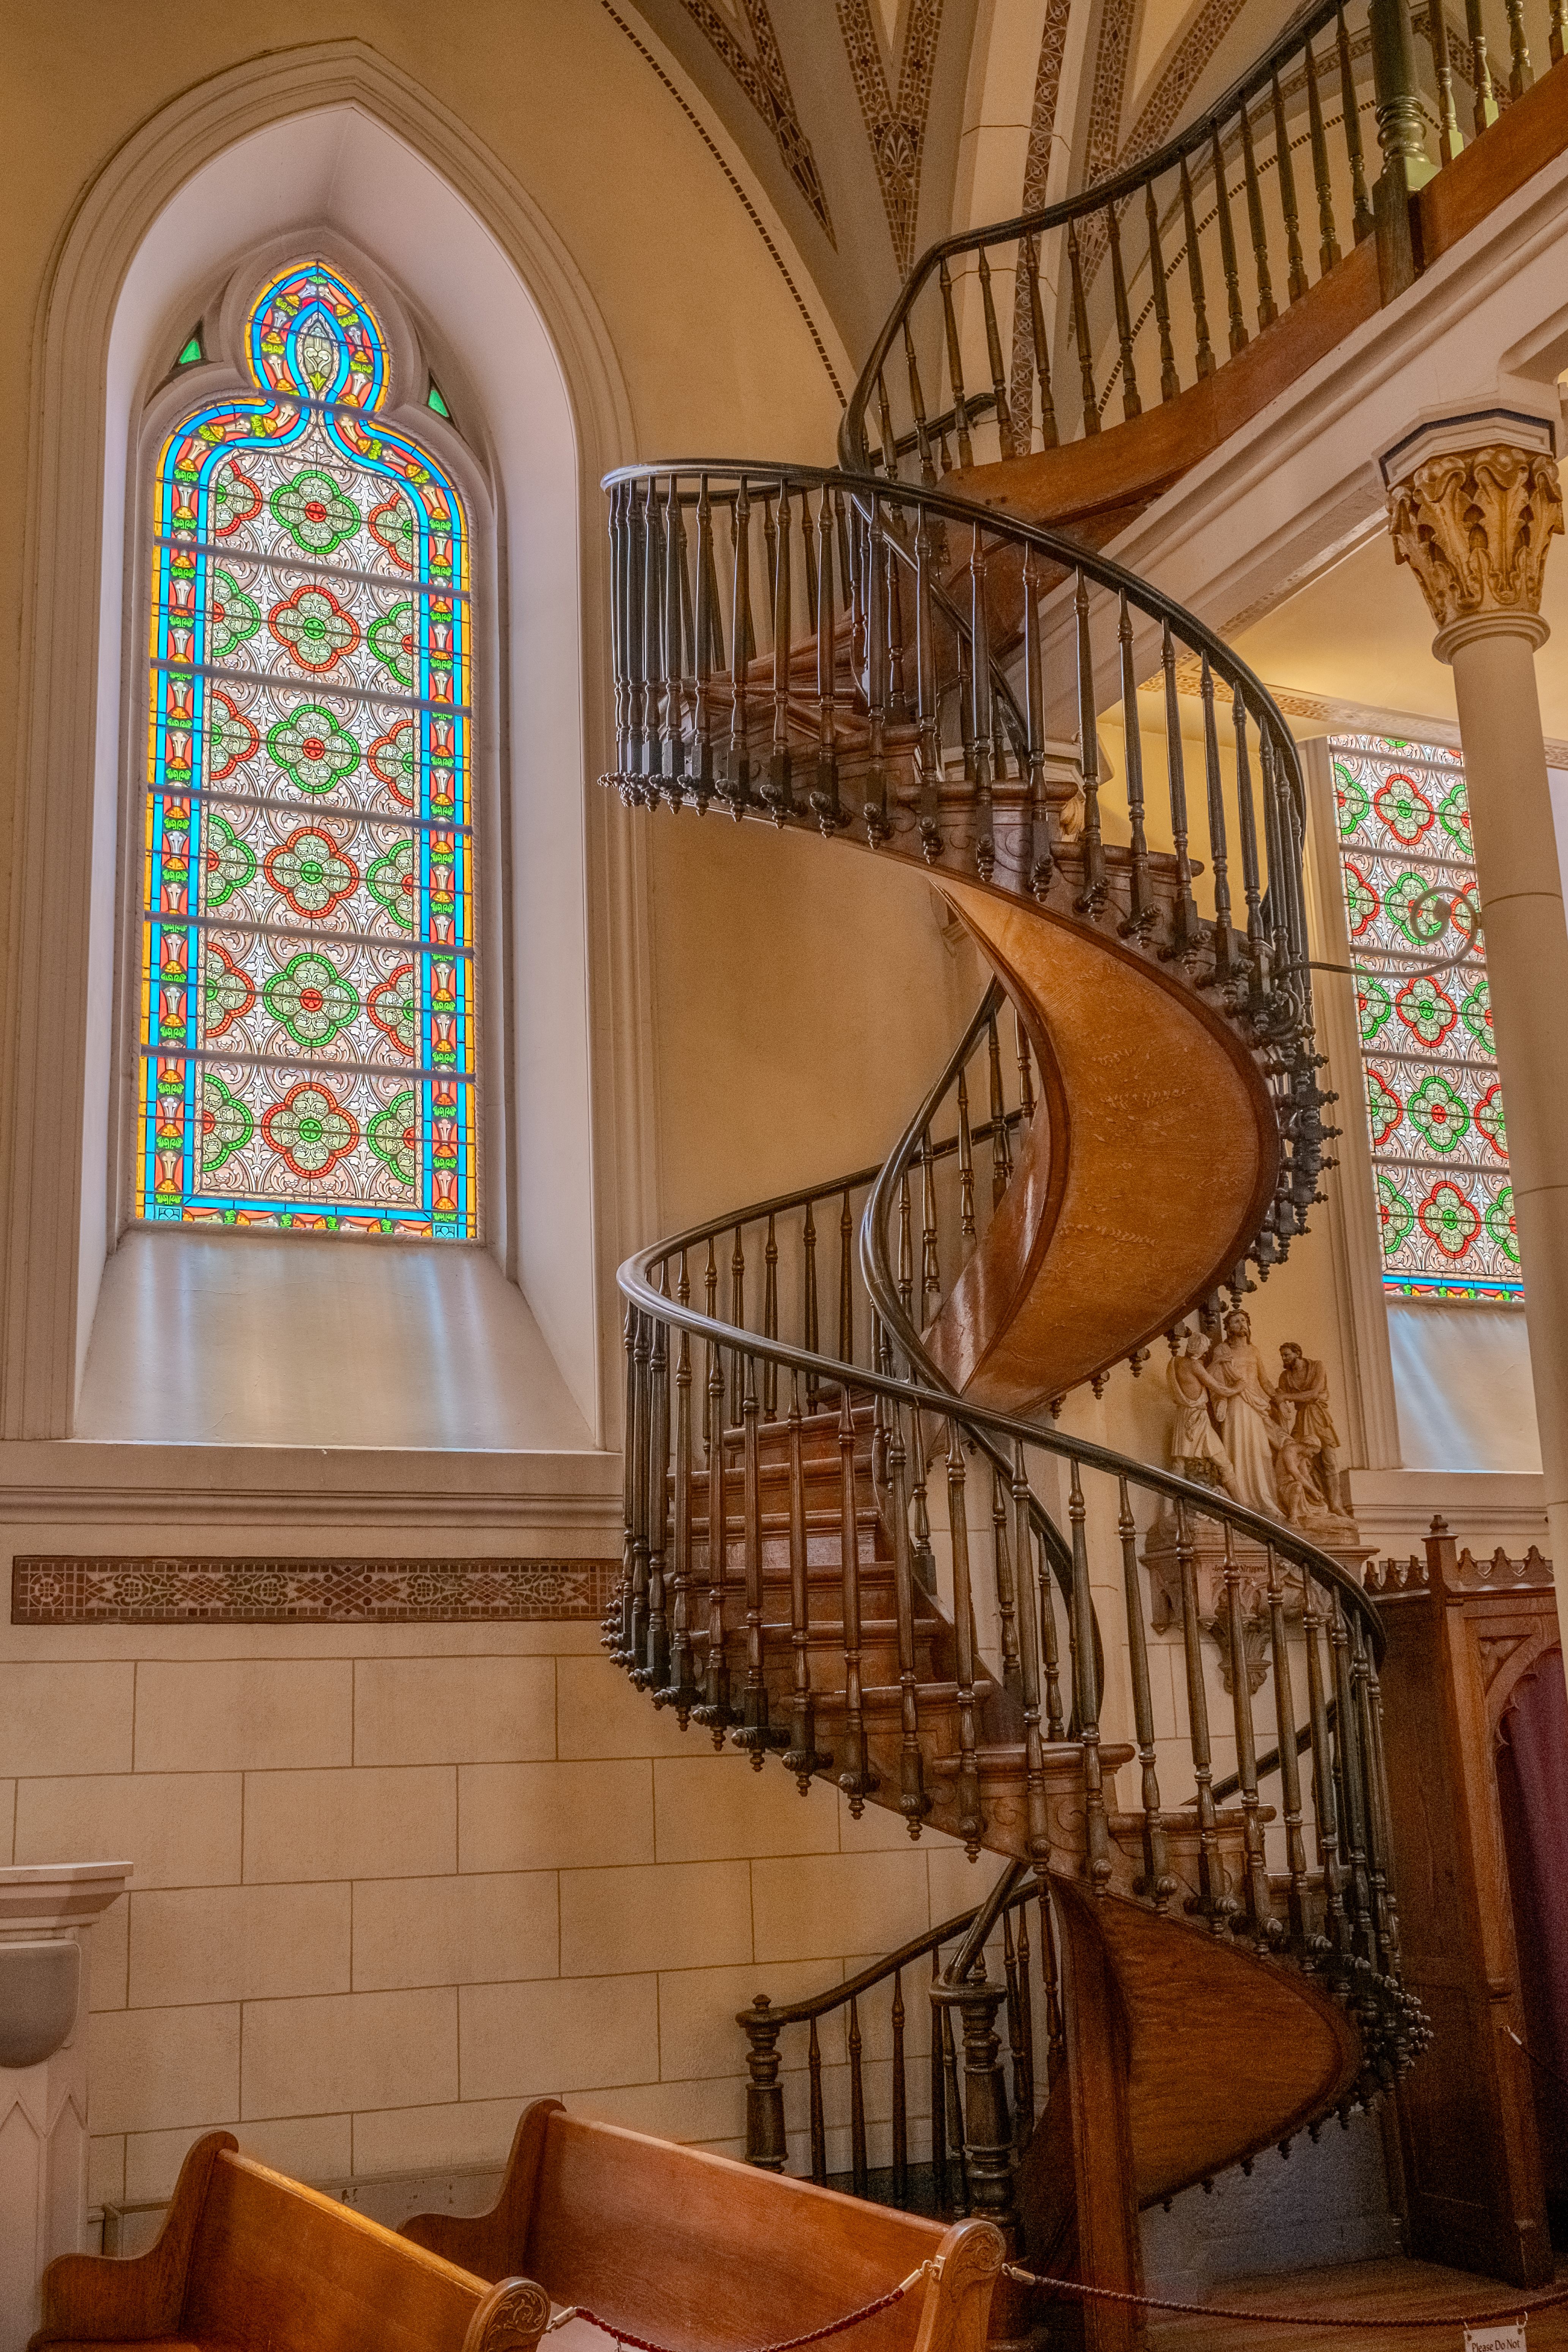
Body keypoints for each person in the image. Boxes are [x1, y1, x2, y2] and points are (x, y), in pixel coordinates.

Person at [1205, 1307, 1283, 1518]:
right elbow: (1211, 1377)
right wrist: (1221, 1368)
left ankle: (1265, 1499)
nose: (1241, 1325)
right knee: (1238, 1446)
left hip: (1254, 1404)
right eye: (1236, 1322)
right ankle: (1243, 1500)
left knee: (1260, 1450)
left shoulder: (1254, 1351)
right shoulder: (1222, 1350)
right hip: (1235, 1403)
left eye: (1243, 1321)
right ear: (1228, 1328)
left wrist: (1278, 1399)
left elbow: (1264, 1380)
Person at [1168, 1330, 1242, 1498]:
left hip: (1182, 1416)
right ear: (1202, 1349)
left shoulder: (1175, 1362)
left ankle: (1169, 1509)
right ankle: (1244, 1507)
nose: (1207, 1352)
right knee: (1225, 1464)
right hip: (1197, 1420)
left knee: (1179, 1464)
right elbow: (1220, 1389)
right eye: (1206, 1348)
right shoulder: (1195, 1366)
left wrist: (1215, 1363)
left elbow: (1196, 1380)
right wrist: (1240, 1387)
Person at [1274, 1341, 1345, 1516]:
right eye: (1283, 1356)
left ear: (1297, 1354)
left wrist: (1286, 1397)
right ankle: (1313, 1504)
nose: (1284, 1359)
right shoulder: (1285, 1377)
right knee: (1303, 1462)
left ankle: (1336, 1504)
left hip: (1319, 1417)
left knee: (1330, 1461)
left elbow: (1314, 1393)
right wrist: (1280, 1401)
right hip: (1302, 1418)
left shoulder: (1316, 1367)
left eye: (1287, 1355)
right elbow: (1278, 1397)